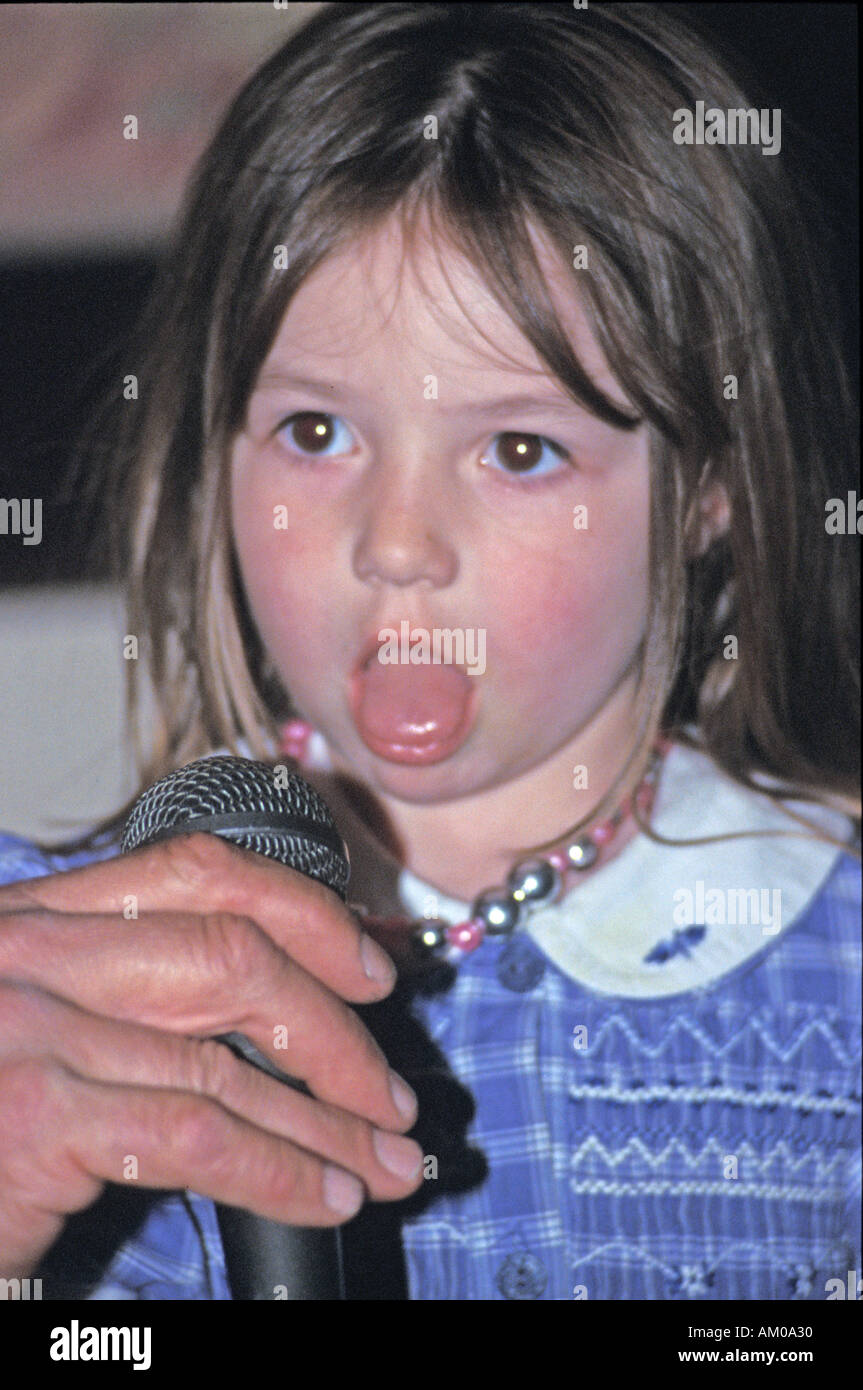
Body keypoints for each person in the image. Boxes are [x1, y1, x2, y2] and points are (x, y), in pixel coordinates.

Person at [0, 2, 858, 1301]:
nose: (395, 542)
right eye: (315, 434)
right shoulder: (59, 990)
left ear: (708, 492)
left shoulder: (831, 954)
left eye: (520, 449)